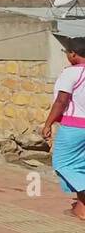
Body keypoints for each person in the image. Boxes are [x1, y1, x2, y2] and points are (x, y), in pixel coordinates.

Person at [43, 37, 85, 220]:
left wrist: (48, 123)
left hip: (74, 126)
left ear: (73, 54)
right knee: (80, 166)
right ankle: (81, 210)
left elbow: (61, 101)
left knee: (62, 164)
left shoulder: (71, 73)